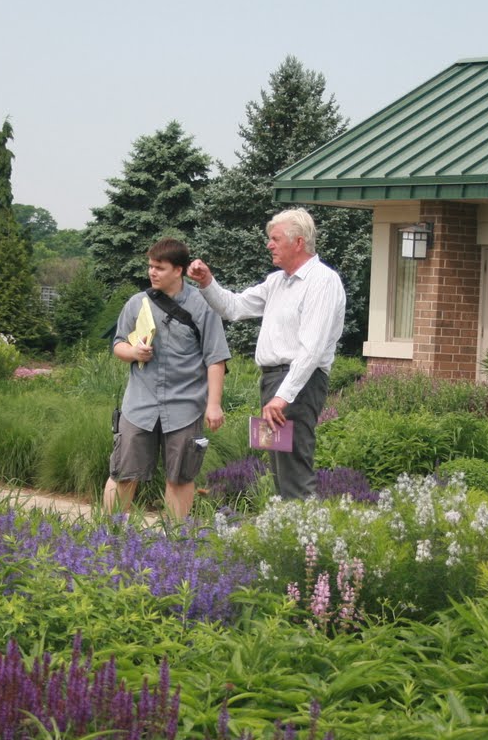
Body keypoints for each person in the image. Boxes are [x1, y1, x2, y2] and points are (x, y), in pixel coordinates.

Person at [186, 208, 345, 500]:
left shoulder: (322, 281)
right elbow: (234, 308)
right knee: (280, 468)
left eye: (275, 238)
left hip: (298, 384)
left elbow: (312, 349)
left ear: (298, 242)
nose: (269, 244)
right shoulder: (277, 282)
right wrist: (207, 281)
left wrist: (284, 396)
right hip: (274, 382)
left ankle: (306, 539)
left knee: (294, 467)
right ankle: (288, 534)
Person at [104, 238, 229, 521]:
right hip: (139, 406)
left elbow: (216, 359)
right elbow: (118, 345)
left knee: (181, 478)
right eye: (150, 266)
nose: (152, 272)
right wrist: (133, 352)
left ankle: (174, 543)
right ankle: (109, 536)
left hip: (185, 408)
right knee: (123, 474)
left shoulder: (204, 307)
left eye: (159, 267)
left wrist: (214, 405)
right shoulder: (137, 303)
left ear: (179, 270)